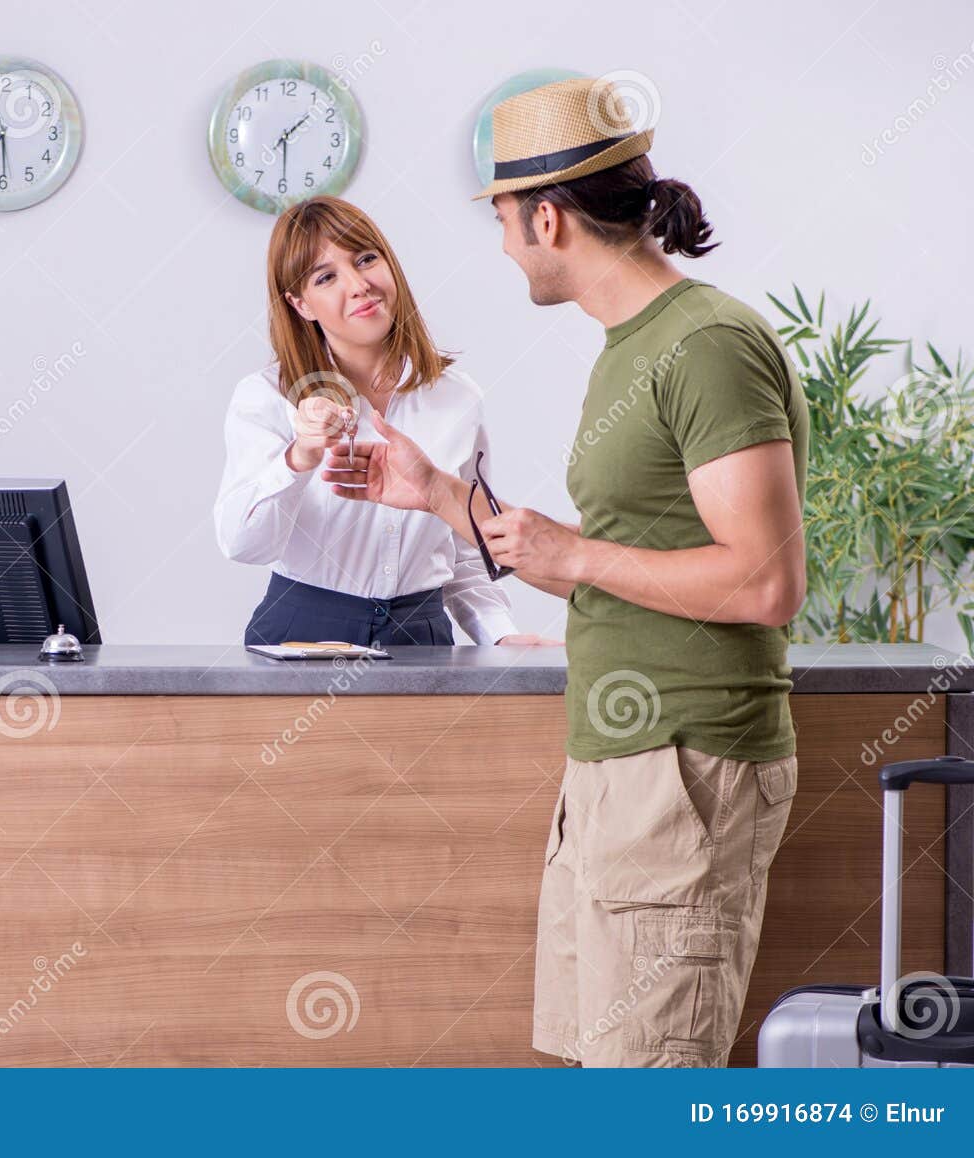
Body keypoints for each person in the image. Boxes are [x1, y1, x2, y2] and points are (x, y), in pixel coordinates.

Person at [323, 77, 808, 1066]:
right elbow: (616, 561)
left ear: (546, 216)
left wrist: (574, 550)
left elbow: (764, 582)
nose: (503, 247)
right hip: (617, 769)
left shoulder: (704, 345)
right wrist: (438, 494)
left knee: (648, 1088)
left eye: (502, 220)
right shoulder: (628, 350)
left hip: (683, 765)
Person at [214, 195, 551, 649]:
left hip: (422, 635)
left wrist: (500, 635)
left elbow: (467, 552)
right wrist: (299, 457)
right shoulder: (268, 397)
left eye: (367, 259)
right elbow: (242, 544)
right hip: (303, 635)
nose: (359, 285)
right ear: (301, 304)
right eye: (326, 277)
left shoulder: (457, 398)